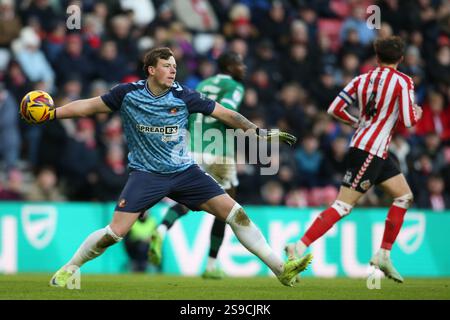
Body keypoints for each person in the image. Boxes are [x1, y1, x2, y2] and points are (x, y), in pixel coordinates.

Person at [21, 47, 311, 288]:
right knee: (114, 233)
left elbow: (226, 114)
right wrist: (53, 113)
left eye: (174, 66)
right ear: (150, 69)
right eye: (166, 66)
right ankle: (71, 267)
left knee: (237, 214)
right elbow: (88, 106)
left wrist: (257, 132)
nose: (173, 70)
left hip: (185, 171)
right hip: (146, 175)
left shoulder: (184, 94)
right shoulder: (127, 94)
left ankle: (280, 269)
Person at [285, 36, 423, 283]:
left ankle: (383, 254)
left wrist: (355, 122)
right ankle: (299, 246)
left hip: (374, 150)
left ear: (377, 57)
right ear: (401, 59)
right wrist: (417, 112)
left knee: (404, 196)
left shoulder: (362, 79)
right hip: (370, 151)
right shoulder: (403, 82)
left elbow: (334, 108)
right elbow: (409, 120)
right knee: (343, 206)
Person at [148, 51, 247, 279]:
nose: (243, 68)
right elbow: (227, 114)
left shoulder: (203, 83)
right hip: (218, 151)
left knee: (189, 199)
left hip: (192, 148)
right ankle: (211, 265)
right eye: (239, 63)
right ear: (229, 66)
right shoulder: (235, 86)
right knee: (227, 209)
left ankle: (162, 229)